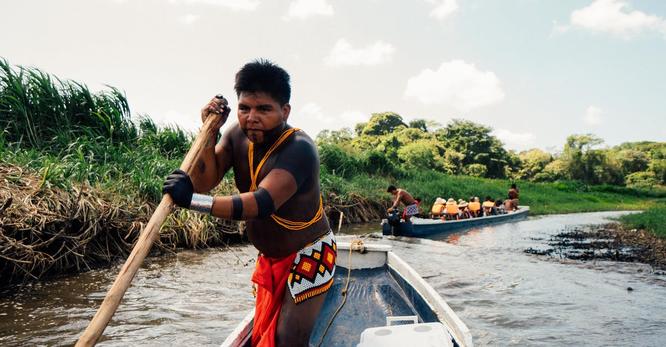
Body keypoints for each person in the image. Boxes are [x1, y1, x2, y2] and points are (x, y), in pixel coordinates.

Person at [162, 59, 335, 347]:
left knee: (287, 339)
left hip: (311, 254)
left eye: (264, 109)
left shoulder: (299, 149)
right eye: (245, 108)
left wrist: (192, 201)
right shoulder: (236, 135)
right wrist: (210, 131)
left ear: (285, 111)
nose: (252, 117)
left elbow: (261, 203)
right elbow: (207, 178)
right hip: (270, 257)